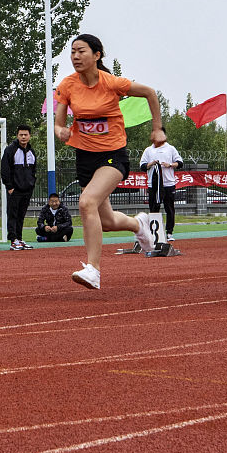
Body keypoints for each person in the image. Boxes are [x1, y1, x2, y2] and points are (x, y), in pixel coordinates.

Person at [54, 33, 163, 290]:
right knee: (107, 221)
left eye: (81, 51)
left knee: (86, 202)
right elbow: (59, 122)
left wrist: (157, 128)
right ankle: (138, 224)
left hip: (113, 155)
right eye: (72, 52)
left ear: (97, 55)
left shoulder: (111, 83)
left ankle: (93, 269)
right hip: (84, 156)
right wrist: (61, 131)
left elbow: (150, 93)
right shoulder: (67, 85)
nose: (76, 56)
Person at [138, 130, 183, 239]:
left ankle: (169, 232)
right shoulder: (148, 150)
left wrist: (170, 165)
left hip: (168, 184)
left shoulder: (170, 148)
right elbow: (142, 166)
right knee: (154, 208)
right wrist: (151, 163)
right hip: (153, 184)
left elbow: (180, 163)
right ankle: (153, 233)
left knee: (169, 208)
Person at [1, 124, 38, 251]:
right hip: (14, 190)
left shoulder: (32, 152)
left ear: (29, 136)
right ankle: (13, 240)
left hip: (27, 190)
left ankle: (20, 239)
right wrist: (9, 187)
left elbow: (33, 170)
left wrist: (31, 184)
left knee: (21, 215)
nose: (23, 137)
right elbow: (5, 169)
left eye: (25, 135)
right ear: (17, 135)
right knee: (13, 215)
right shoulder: (10, 150)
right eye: (21, 134)